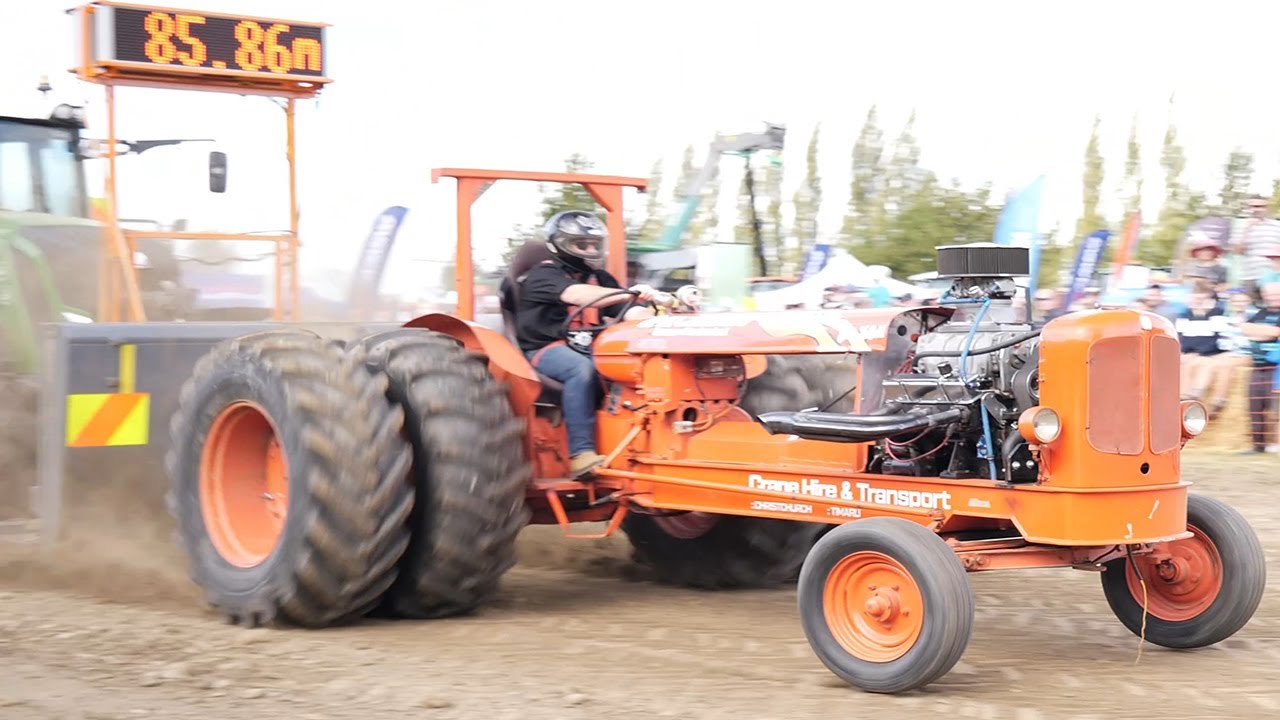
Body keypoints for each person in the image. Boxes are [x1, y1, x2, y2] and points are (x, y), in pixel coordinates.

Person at [502, 210, 658, 478]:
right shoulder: (543, 275)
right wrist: (629, 293)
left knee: (637, 368)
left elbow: (629, 311)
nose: (589, 250)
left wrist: (656, 309)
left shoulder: (602, 279)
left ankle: (644, 445)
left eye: (594, 245)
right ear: (559, 244)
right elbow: (577, 295)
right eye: (581, 244)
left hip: (591, 348)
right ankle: (581, 454)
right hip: (544, 349)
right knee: (580, 369)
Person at [1239, 281, 1280, 453]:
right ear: (1264, 295)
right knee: (1255, 407)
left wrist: (1259, 333)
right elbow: (1245, 329)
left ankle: (1275, 444)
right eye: (1269, 294)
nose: (1273, 297)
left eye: (1276, 294)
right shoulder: (1260, 313)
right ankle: (1258, 446)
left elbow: (1276, 332)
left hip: (1276, 368)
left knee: (1275, 408)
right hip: (1258, 366)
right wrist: (1268, 332)